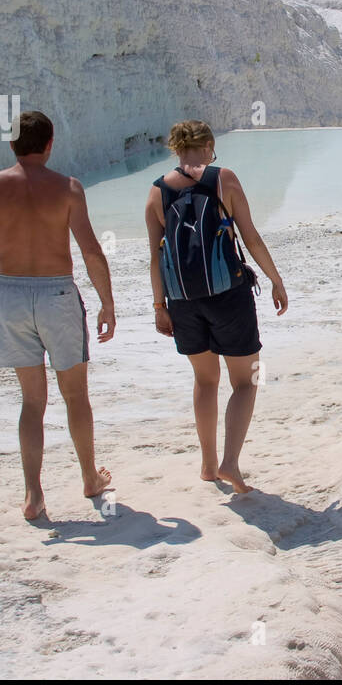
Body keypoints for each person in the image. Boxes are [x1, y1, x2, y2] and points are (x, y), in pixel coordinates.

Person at [0, 110, 115, 520]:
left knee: (32, 401)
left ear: (11, 144)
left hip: (10, 294)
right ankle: (90, 478)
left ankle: (34, 494)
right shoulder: (69, 188)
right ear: (50, 143)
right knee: (75, 395)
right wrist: (107, 303)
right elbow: (91, 251)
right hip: (56, 291)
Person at [146, 120, 287, 494]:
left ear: (176, 149)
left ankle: (208, 465)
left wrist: (160, 306)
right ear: (208, 144)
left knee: (205, 380)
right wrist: (275, 279)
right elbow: (250, 236)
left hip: (182, 301)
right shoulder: (223, 178)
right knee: (245, 381)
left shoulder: (157, 191)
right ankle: (230, 463)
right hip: (228, 294)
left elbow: (154, 258)